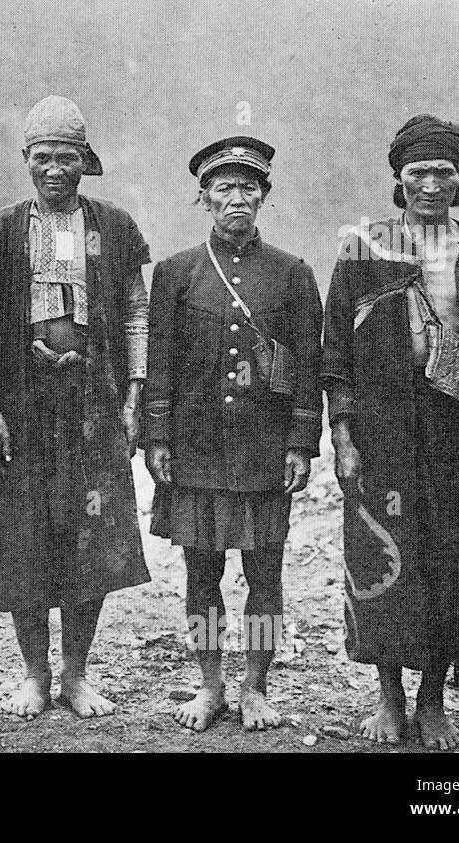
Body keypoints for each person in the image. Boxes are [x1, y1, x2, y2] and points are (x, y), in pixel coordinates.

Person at [323, 115, 459, 748]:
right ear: (398, 179)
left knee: (454, 567)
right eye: (417, 173)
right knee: (387, 563)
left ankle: (433, 701)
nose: (430, 185)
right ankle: (390, 697)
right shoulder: (363, 250)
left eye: (443, 174)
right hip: (384, 437)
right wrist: (343, 436)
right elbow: (336, 350)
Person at [0, 95, 151, 719]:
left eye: (66, 157)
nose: (54, 169)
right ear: (25, 160)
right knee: (24, 536)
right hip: (22, 407)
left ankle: (77, 675)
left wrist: (134, 393)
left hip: (94, 405)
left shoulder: (115, 228)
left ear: (84, 160)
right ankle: (34, 674)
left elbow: (135, 314)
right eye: (42, 157)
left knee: (90, 539)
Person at [145, 137, 322, 732]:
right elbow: (160, 361)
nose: (237, 198)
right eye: (224, 188)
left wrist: (300, 442)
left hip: (263, 452)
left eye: (249, 187)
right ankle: (210, 684)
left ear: (264, 197)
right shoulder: (174, 273)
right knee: (201, 574)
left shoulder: (293, 275)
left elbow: (306, 364)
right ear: (204, 198)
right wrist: (158, 436)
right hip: (195, 450)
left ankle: (255, 686)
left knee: (265, 574)